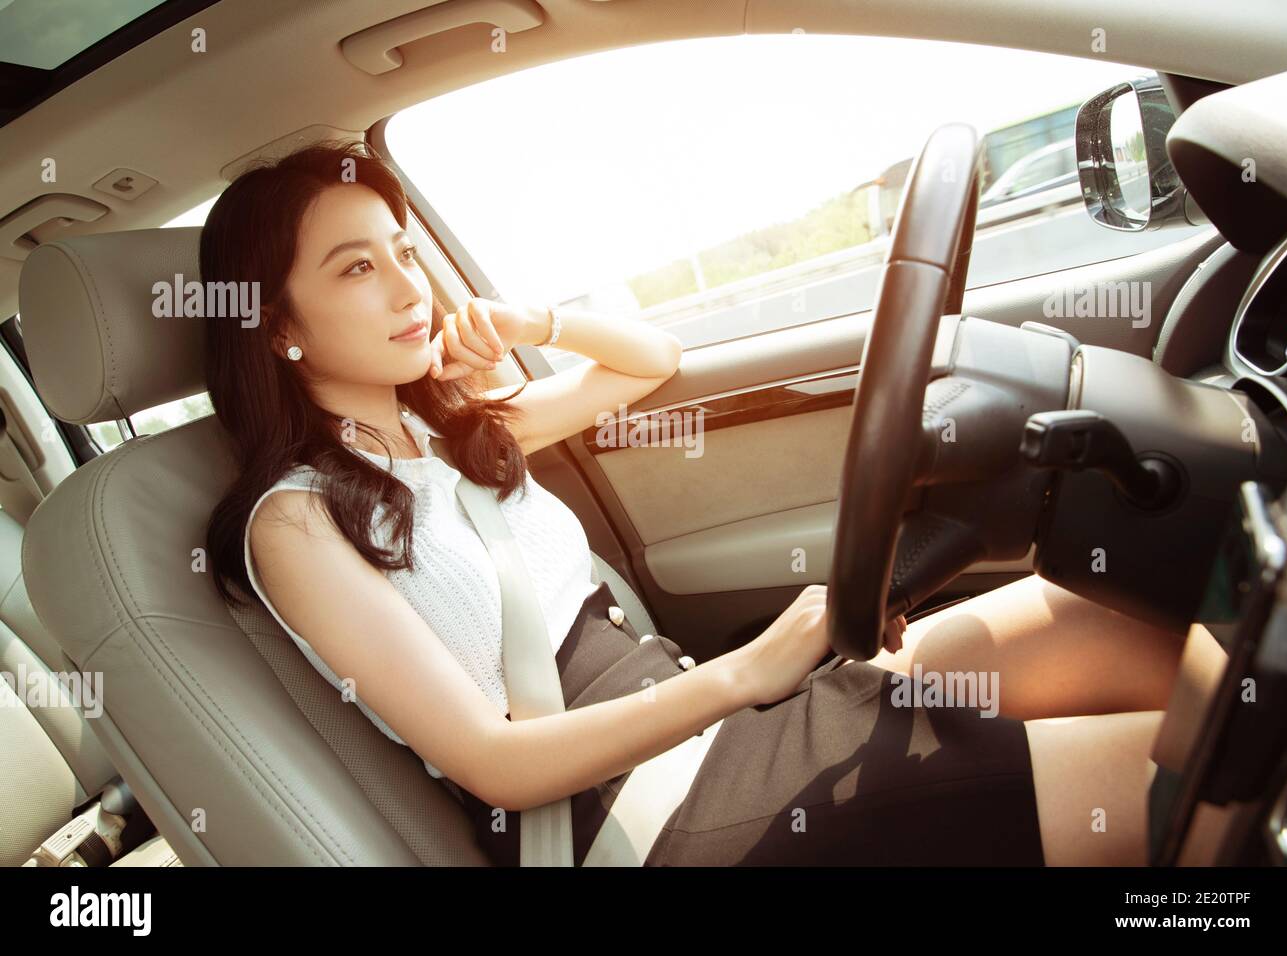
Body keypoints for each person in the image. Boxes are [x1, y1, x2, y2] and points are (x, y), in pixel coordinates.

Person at [203, 139, 1228, 866]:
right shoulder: (291, 522)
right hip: (648, 819)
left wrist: (533, 318)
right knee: (1190, 784)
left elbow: (652, 361)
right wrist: (747, 672)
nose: (406, 285)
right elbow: (495, 765)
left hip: (713, 724)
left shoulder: (462, 428)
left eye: (404, 252)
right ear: (277, 327)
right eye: (356, 268)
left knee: (1133, 626)